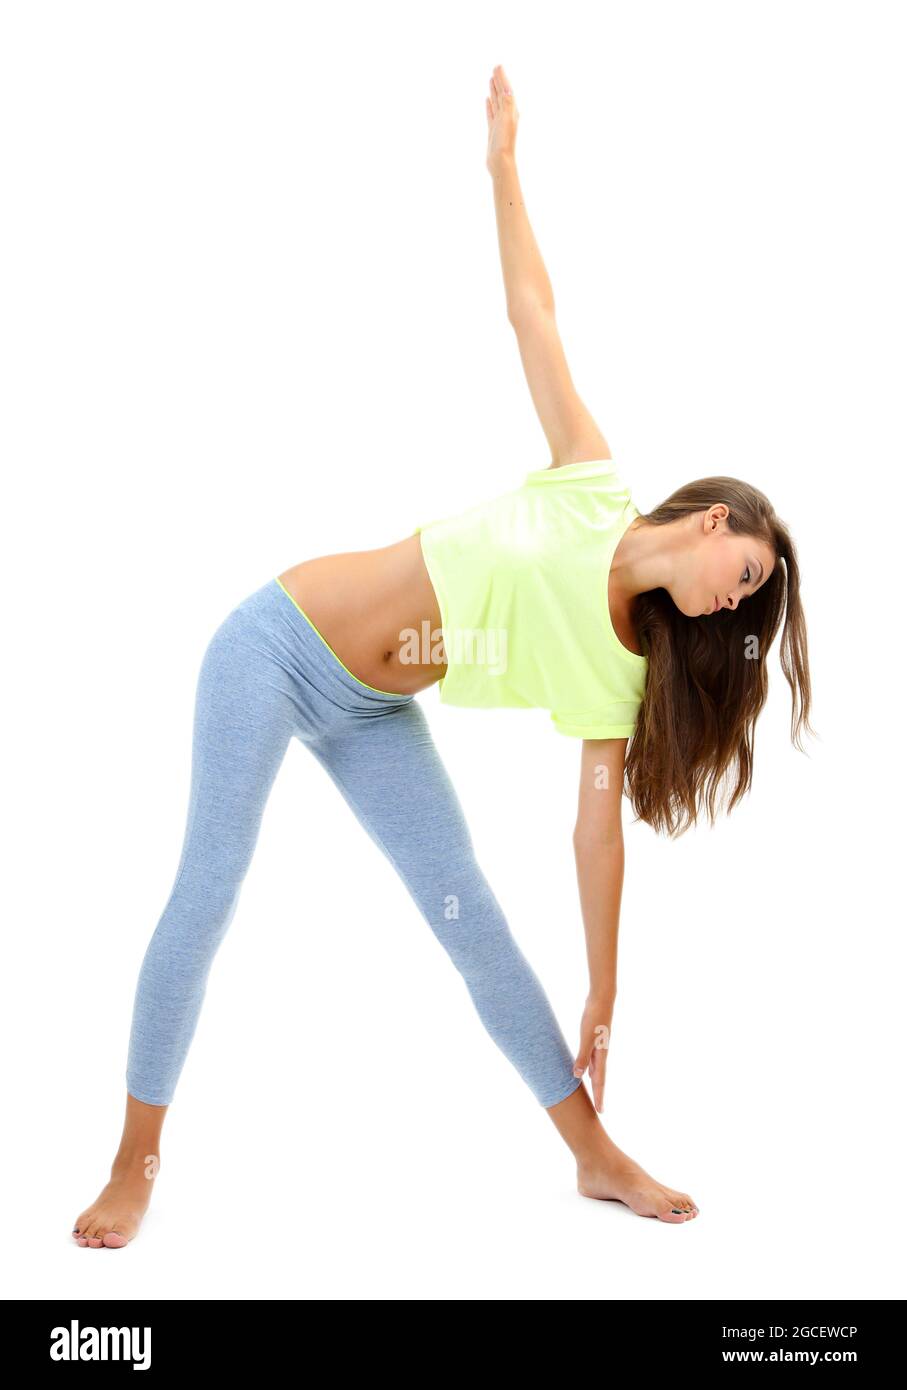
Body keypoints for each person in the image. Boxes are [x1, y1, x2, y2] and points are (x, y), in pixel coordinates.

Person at [72, 65, 813, 1247]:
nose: (743, 601)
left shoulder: (622, 673)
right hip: (274, 645)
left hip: (372, 706)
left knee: (469, 918)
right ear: (715, 524)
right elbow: (535, 317)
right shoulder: (591, 483)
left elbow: (594, 827)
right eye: (753, 574)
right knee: (209, 888)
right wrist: (504, 166)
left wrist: (605, 985)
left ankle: (592, 1154)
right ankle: (134, 1156)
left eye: (753, 602)